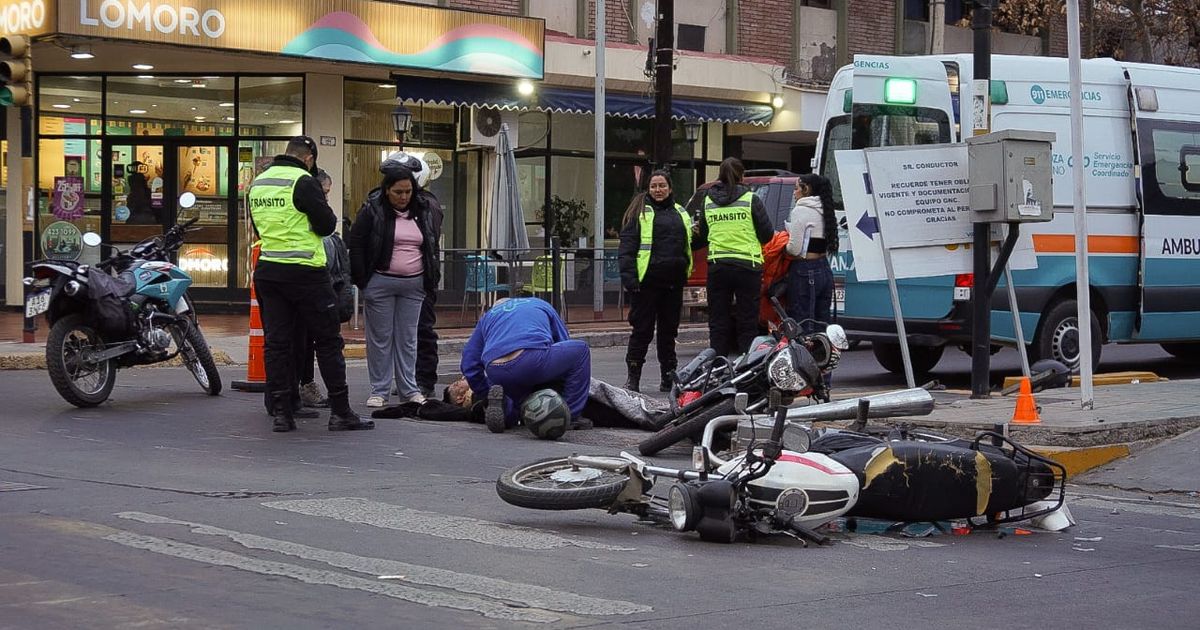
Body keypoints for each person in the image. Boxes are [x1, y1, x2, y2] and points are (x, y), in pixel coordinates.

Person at [247, 136, 372, 433]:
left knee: (277, 344)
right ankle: (341, 412)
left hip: (269, 270)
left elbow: (257, 225)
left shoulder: (259, 183)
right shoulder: (303, 181)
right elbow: (327, 224)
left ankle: (282, 412)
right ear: (308, 158)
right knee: (328, 341)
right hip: (305, 272)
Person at [348, 158, 440, 409]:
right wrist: (363, 281)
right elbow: (355, 242)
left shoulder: (422, 210)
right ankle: (380, 390)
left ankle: (409, 388)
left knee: (408, 338)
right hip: (381, 282)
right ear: (387, 190)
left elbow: (431, 245)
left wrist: (430, 279)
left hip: (414, 284)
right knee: (380, 338)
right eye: (398, 192)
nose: (403, 197)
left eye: (408, 192)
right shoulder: (373, 210)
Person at [459, 297, 590, 434]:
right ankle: (570, 415)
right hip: (531, 360)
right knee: (581, 350)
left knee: (515, 399)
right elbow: (562, 340)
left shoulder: (488, 316)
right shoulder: (540, 304)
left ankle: (507, 413)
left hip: (496, 369)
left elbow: (469, 363)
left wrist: (485, 391)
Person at [617, 169, 693, 392]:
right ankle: (633, 378)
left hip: (673, 283)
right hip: (646, 285)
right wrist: (630, 280)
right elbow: (627, 249)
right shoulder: (639, 213)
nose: (658, 190)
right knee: (642, 331)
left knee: (669, 333)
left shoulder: (681, 212)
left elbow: (688, 243)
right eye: (654, 186)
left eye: (662, 186)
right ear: (648, 189)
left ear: (670, 188)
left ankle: (668, 376)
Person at [693, 157, 773, 357]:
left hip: (718, 266)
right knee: (748, 321)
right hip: (747, 267)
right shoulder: (751, 199)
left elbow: (702, 236)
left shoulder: (708, 200)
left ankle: (718, 365)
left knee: (718, 320)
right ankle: (747, 366)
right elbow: (767, 234)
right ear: (741, 175)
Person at [295, 168, 354, 409]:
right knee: (316, 342)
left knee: (307, 341)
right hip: (313, 288)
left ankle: (296, 390)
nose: (327, 199)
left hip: (312, 286)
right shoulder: (315, 222)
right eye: (325, 193)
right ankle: (309, 387)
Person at [784, 173, 838, 333]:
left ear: (806, 189)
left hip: (805, 270)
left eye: (796, 188)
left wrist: (783, 245)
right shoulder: (825, 208)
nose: (794, 193)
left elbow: (794, 249)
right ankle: (823, 355)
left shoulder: (800, 210)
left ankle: (805, 357)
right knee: (822, 322)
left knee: (803, 322)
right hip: (824, 268)